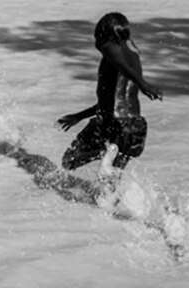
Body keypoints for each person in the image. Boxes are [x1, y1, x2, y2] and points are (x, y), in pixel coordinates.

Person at [57, 12, 162, 174]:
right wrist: (79, 116)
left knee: (68, 161)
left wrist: (143, 85)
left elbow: (120, 65)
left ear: (102, 35)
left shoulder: (110, 48)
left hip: (111, 124)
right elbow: (113, 101)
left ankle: (105, 152)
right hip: (134, 127)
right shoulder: (133, 52)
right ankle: (110, 158)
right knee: (113, 177)